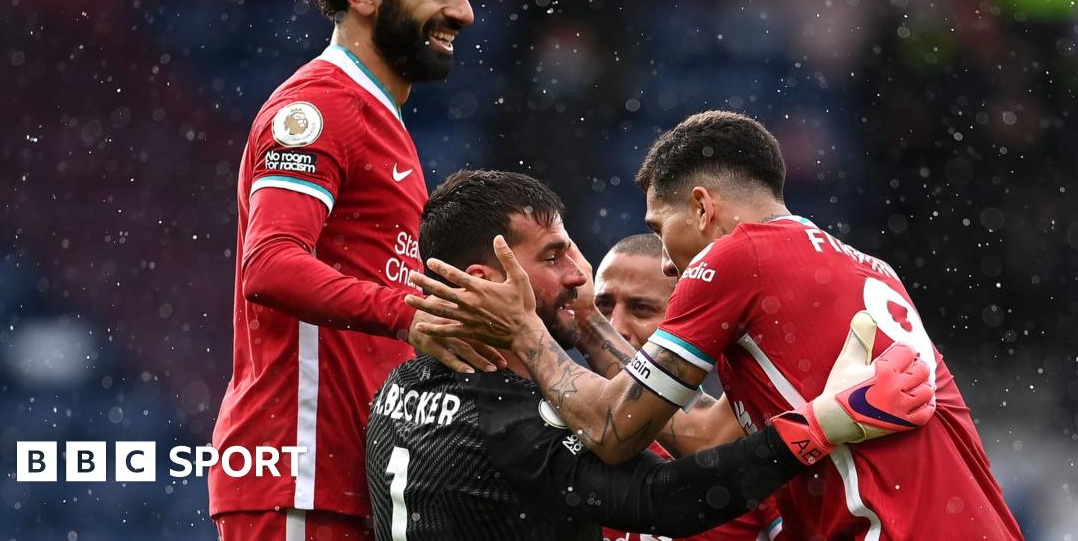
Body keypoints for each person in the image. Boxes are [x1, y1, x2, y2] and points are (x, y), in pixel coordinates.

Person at [410, 110, 1025, 539]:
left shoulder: (736, 258)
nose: (669, 262)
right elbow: (702, 435)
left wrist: (525, 329)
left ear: (703, 207)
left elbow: (612, 429)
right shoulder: (863, 267)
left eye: (659, 229)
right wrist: (588, 328)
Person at [370, 169, 935, 541]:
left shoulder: (400, 389)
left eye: (641, 310)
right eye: (552, 257)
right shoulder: (529, 423)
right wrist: (821, 423)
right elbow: (663, 496)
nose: (577, 278)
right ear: (487, 281)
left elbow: (689, 435)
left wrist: (578, 318)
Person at [209, 0, 502, 540]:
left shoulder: (382, 122)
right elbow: (271, 265)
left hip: (355, 478)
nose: (464, 11)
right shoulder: (317, 110)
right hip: (300, 471)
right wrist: (411, 315)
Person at [596, 233, 784, 541]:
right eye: (602, 306)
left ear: (686, 320)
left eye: (641, 309)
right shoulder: (554, 425)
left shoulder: (754, 441)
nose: (614, 328)